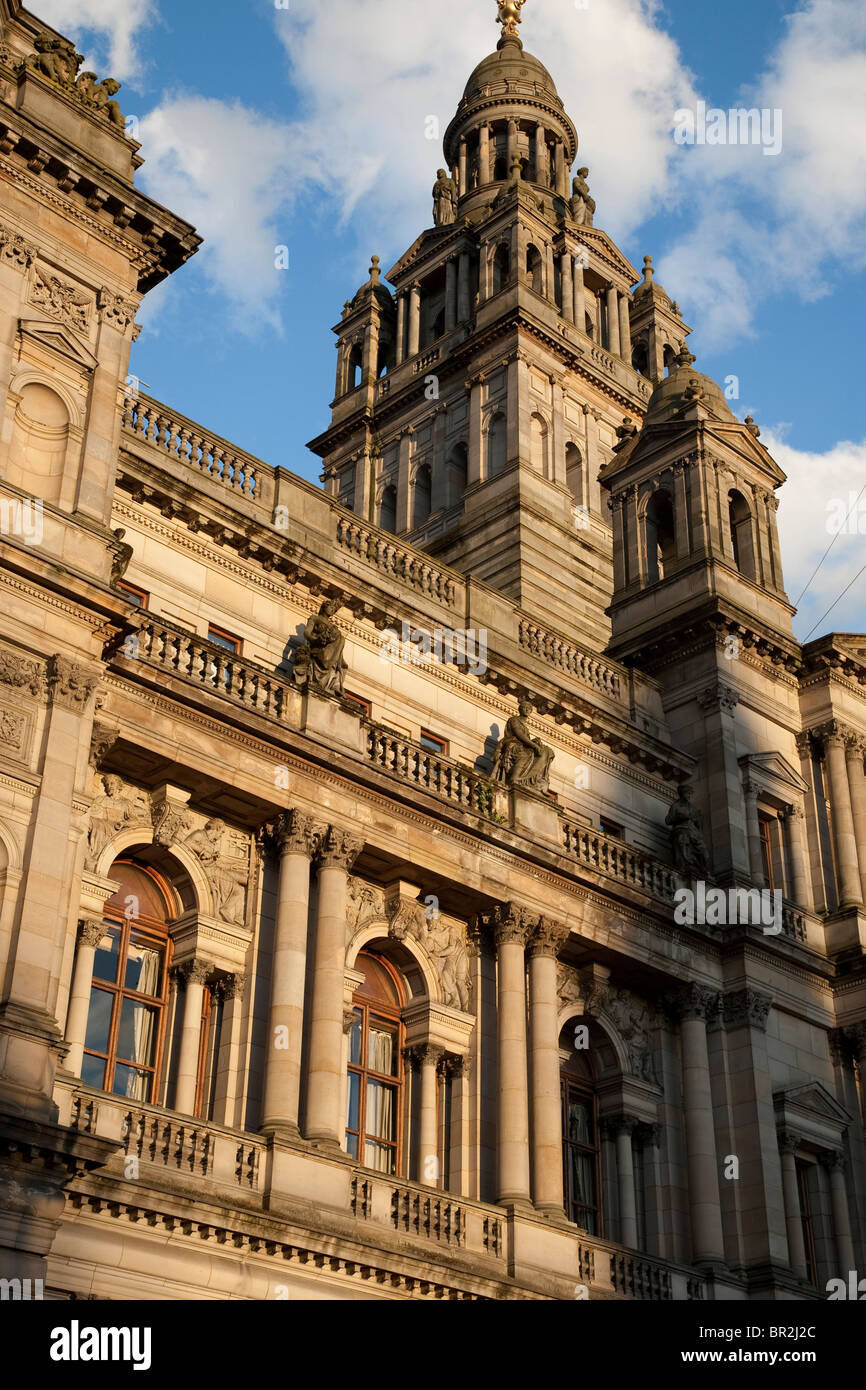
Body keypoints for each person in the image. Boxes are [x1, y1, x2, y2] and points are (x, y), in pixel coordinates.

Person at [665, 784, 710, 878]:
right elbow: (668, 820)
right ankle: (686, 867)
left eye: (690, 794)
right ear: (682, 794)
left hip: (694, 834)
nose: (689, 796)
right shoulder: (676, 806)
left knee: (704, 853)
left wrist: (698, 819)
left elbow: (698, 824)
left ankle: (702, 870)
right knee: (683, 844)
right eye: (687, 793)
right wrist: (679, 817)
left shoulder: (692, 808)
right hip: (682, 831)